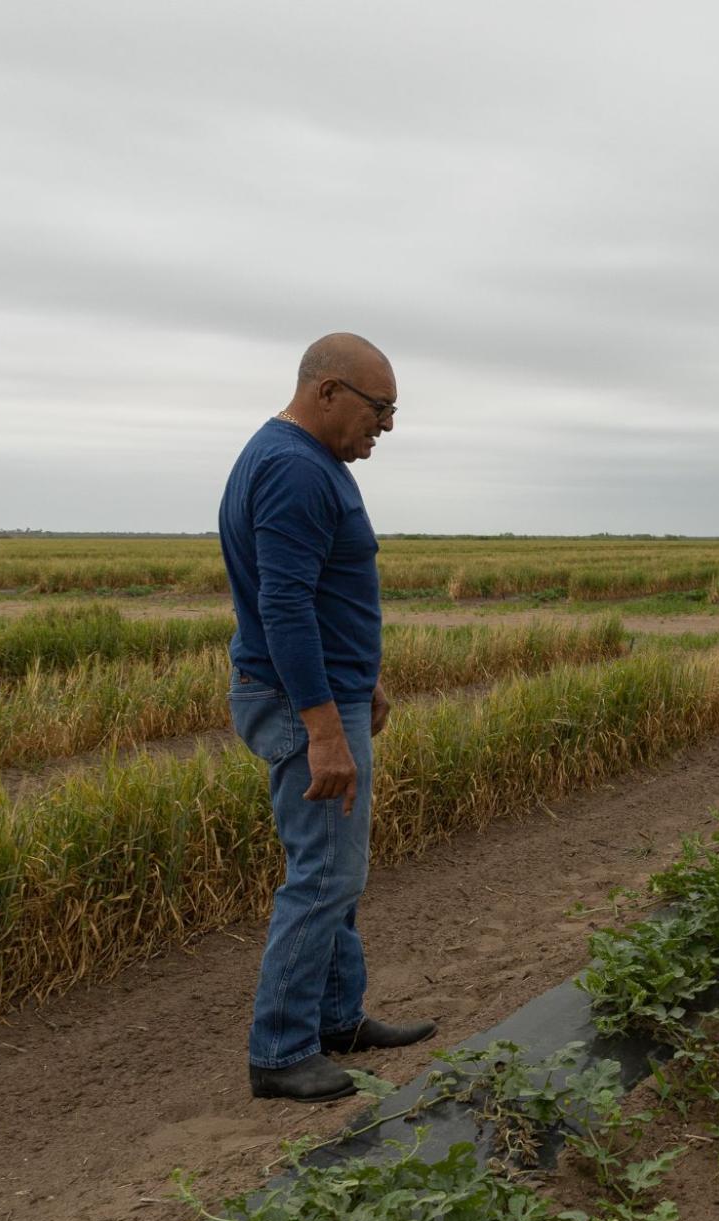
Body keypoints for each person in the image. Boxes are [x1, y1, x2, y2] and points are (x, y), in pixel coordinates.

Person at [219, 332, 436, 1103]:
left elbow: (321, 593)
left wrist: (360, 679)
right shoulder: (291, 469)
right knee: (322, 874)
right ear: (329, 392)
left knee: (337, 868)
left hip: (328, 692)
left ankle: (336, 1017)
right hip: (297, 701)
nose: (385, 425)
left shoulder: (308, 463)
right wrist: (321, 724)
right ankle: (279, 1050)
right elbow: (283, 605)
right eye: (379, 409)